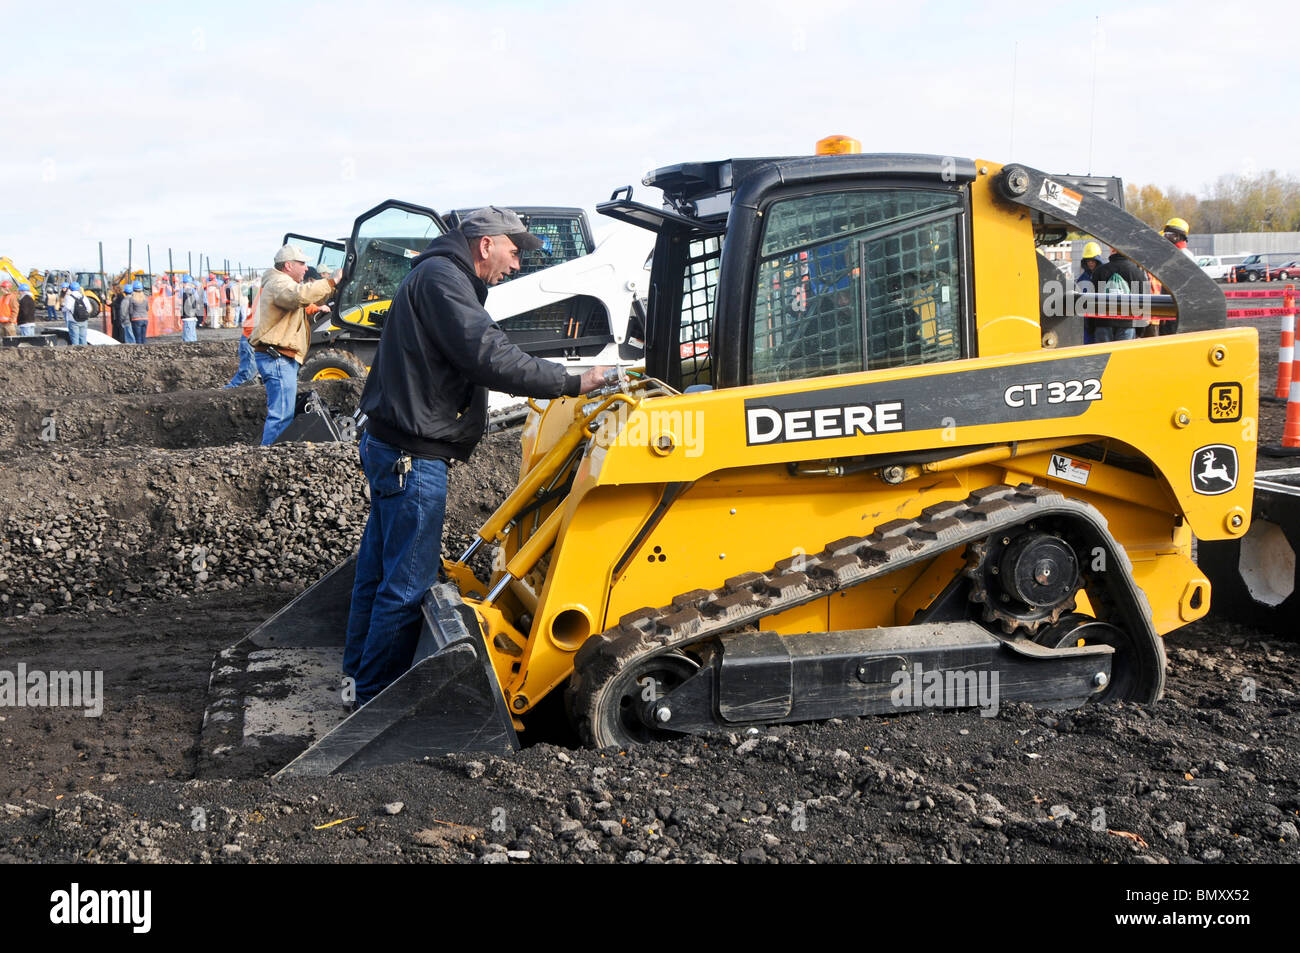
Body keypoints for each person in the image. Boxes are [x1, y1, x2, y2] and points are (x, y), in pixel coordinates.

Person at [342, 206, 609, 708]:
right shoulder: (445, 280)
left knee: (377, 573)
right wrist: (571, 381)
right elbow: (486, 354)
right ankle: (375, 703)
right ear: (485, 244)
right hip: (412, 456)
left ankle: (356, 681)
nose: (516, 264)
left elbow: (480, 347)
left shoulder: (436, 275)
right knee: (405, 586)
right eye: (513, 251)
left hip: (393, 445)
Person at [248, 244, 338, 444]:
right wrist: (332, 281)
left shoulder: (280, 283)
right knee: (281, 416)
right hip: (277, 357)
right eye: (302, 263)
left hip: (280, 357)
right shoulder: (279, 283)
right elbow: (299, 295)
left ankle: (271, 455)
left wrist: (328, 293)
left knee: (283, 413)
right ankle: (268, 457)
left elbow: (304, 299)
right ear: (288, 265)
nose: (306, 268)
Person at [1090, 249, 1148, 343]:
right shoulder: (1137, 273)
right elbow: (1144, 303)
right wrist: (1140, 331)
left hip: (1103, 323)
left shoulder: (1099, 271)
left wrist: (1091, 327)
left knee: (1103, 356)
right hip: (1127, 324)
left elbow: (1091, 302)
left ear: (1112, 251)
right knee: (1123, 357)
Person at [1158, 217, 1195, 336]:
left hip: (1178, 310)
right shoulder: (1175, 255)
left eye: (1168, 235)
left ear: (1177, 236)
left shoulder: (1183, 257)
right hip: (1171, 309)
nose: (1165, 238)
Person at [225, 284, 261, 387]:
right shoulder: (278, 287)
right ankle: (223, 396)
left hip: (254, 335)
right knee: (245, 378)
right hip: (253, 336)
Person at [1075, 241, 1104, 344]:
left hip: (1101, 320)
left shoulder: (1105, 274)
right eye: (1088, 260)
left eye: (1093, 260)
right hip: (1086, 322)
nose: (1090, 263)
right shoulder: (1082, 278)